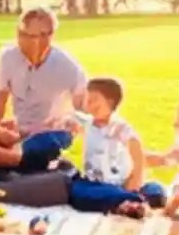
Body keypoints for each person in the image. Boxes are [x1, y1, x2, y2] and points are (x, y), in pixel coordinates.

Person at [0, 7, 85, 174]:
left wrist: (67, 121)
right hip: (21, 130)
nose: (22, 40)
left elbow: (86, 112)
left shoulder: (67, 66)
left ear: (48, 36)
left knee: (35, 147)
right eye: (21, 34)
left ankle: (38, 166)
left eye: (30, 36)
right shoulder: (8, 58)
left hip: (54, 132)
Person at [63, 78, 165, 219]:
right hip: (94, 182)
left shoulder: (118, 127)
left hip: (119, 182)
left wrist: (136, 179)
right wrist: (67, 124)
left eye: (95, 100)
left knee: (155, 192)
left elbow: (136, 149)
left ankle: (131, 198)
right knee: (77, 192)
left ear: (110, 103)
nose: (89, 104)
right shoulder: (88, 122)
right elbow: (67, 117)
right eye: (88, 99)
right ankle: (130, 201)